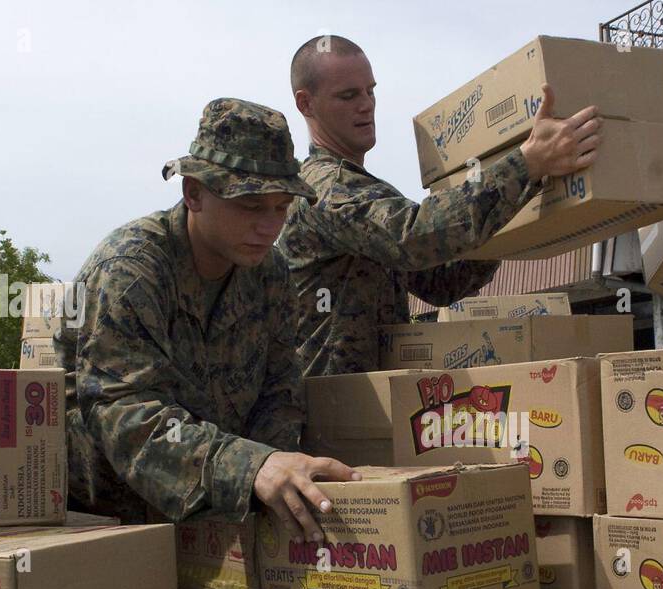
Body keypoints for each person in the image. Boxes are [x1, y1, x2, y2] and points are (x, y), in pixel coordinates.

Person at [60, 98, 354, 543]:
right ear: (194, 193)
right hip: (107, 524)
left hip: (219, 510)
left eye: (281, 207)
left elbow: (280, 390)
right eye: (251, 205)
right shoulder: (131, 268)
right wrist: (251, 466)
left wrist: (274, 467)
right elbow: (126, 415)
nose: (269, 226)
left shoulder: (269, 272)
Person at [279, 34, 603, 377]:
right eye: (348, 95)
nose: (366, 104)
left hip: (368, 405)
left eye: (370, 91)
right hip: (323, 416)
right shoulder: (322, 188)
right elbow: (413, 238)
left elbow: (443, 283)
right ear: (306, 104)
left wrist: (517, 199)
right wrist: (526, 165)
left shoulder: (368, 188)